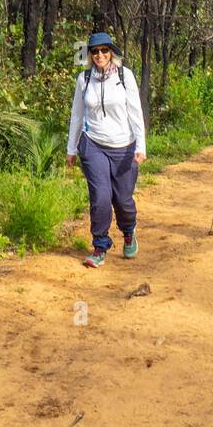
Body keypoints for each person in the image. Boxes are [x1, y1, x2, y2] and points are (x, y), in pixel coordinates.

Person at [66, 32, 146, 268]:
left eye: (104, 50)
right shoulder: (84, 78)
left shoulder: (125, 75)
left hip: (124, 147)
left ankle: (129, 231)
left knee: (123, 200)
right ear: (89, 55)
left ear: (112, 52)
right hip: (93, 145)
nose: (99, 55)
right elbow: (77, 115)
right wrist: (72, 148)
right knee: (100, 197)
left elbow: (135, 112)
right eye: (94, 51)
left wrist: (140, 145)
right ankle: (100, 246)